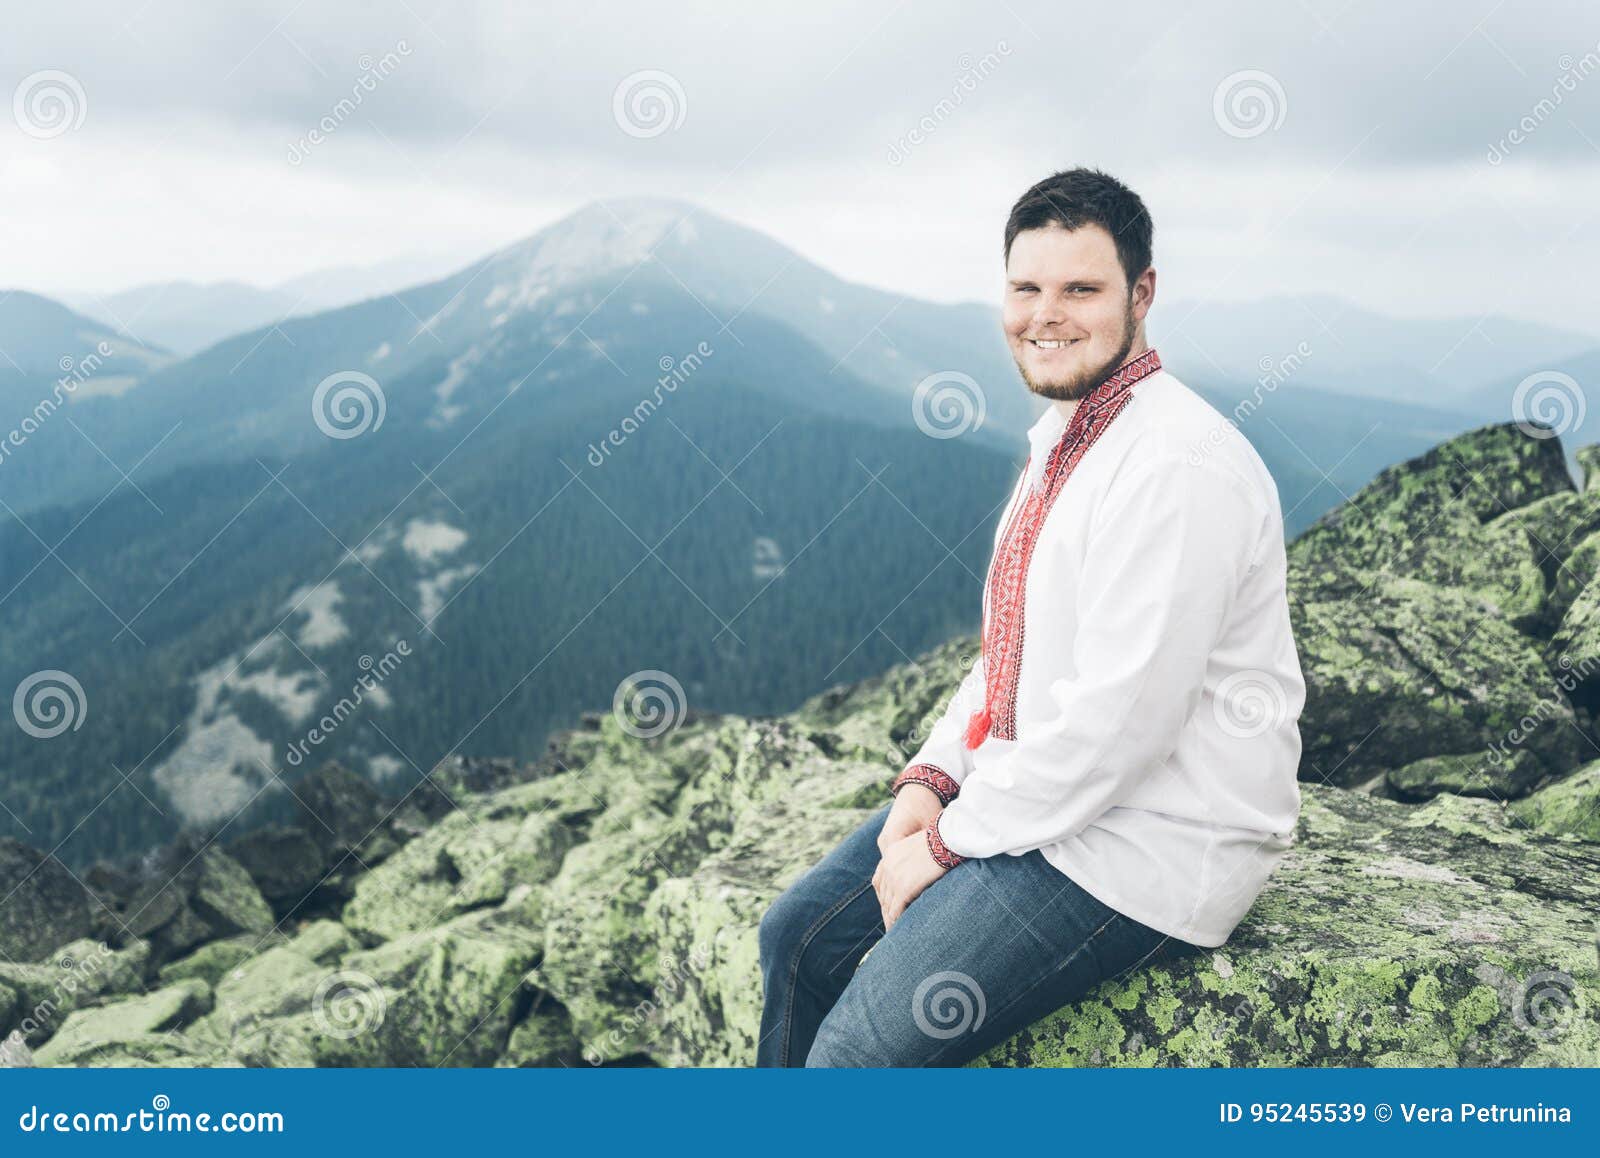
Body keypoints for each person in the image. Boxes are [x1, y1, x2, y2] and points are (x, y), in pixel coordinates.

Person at [755, 167, 1306, 1067]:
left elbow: (1123, 724)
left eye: (1081, 289)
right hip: (1049, 796)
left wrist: (945, 842)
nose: (1046, 314)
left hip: (1149, 843)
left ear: (1143, 295)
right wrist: (931, 780)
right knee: (798, 938)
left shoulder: (1177, 465)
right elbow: (1008, 651)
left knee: (861, 1052)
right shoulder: (1068, 437)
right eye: (1026, 288)